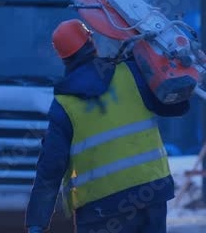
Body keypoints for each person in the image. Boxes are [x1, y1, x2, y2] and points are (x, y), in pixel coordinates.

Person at [25, 19, 190, 233]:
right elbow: (176, 108)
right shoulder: (131, 74)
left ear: (63, 57)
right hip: (151, 194)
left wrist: (37, 221)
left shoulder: (65, 105)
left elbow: (51, 166)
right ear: (91, 43)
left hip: (101, 208)